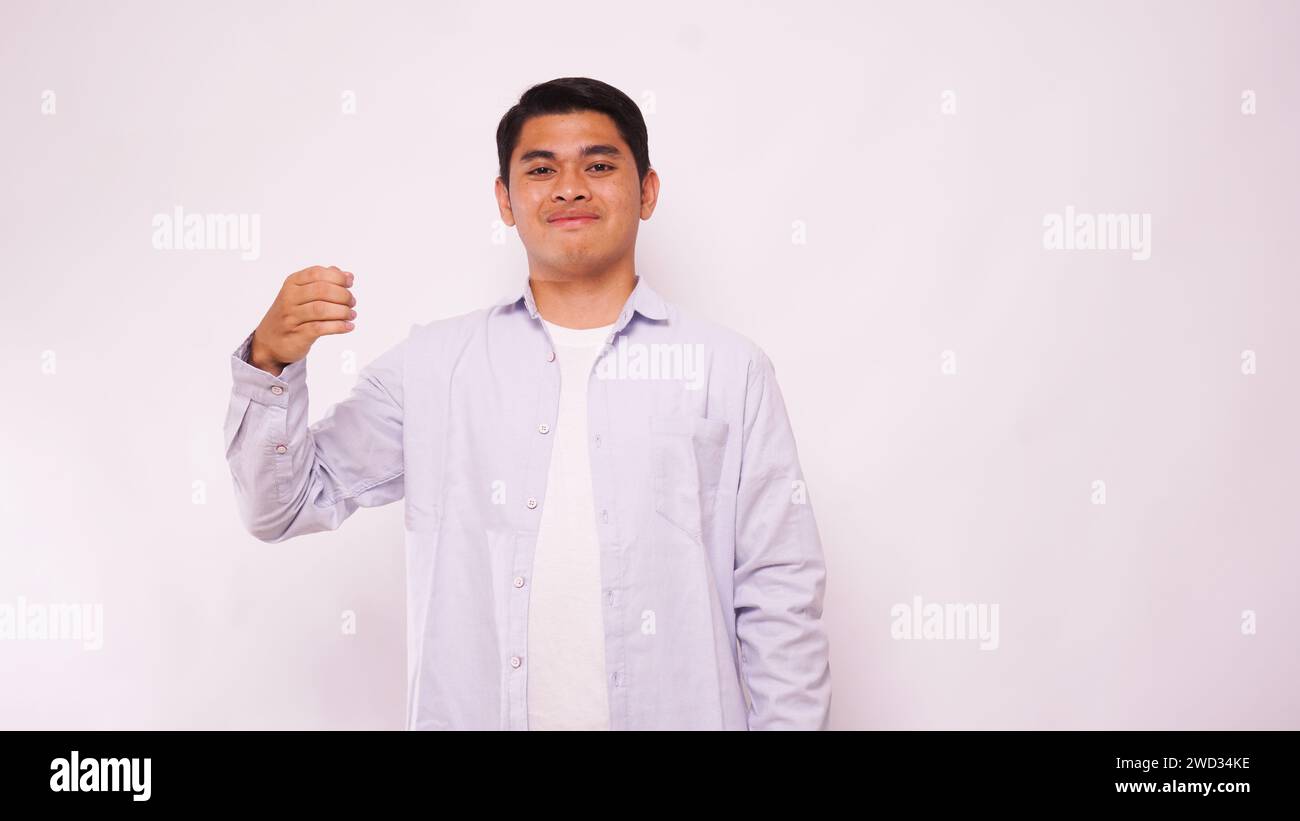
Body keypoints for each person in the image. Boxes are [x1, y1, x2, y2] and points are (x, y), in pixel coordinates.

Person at [223, 77, 830, 730]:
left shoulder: (729, 370)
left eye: (599, 165)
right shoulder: (435, 367)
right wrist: (270, 361)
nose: (570, 187)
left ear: (647, 191)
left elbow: (781, 597)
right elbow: (281, 507)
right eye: (541, 169)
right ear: (505, 200)